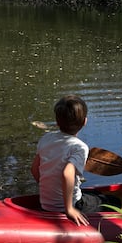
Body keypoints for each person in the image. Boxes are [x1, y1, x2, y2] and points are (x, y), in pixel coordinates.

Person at [30, 94, 104, 225]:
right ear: (85, 121)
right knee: (112, 201)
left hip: (46, 203)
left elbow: (34, 169)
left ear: (57, 122)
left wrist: (49, 189)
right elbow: (67, 173)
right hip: (72, 205)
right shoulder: (79, 147)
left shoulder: (46, 139)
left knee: (95, 193)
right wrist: (69, 209)